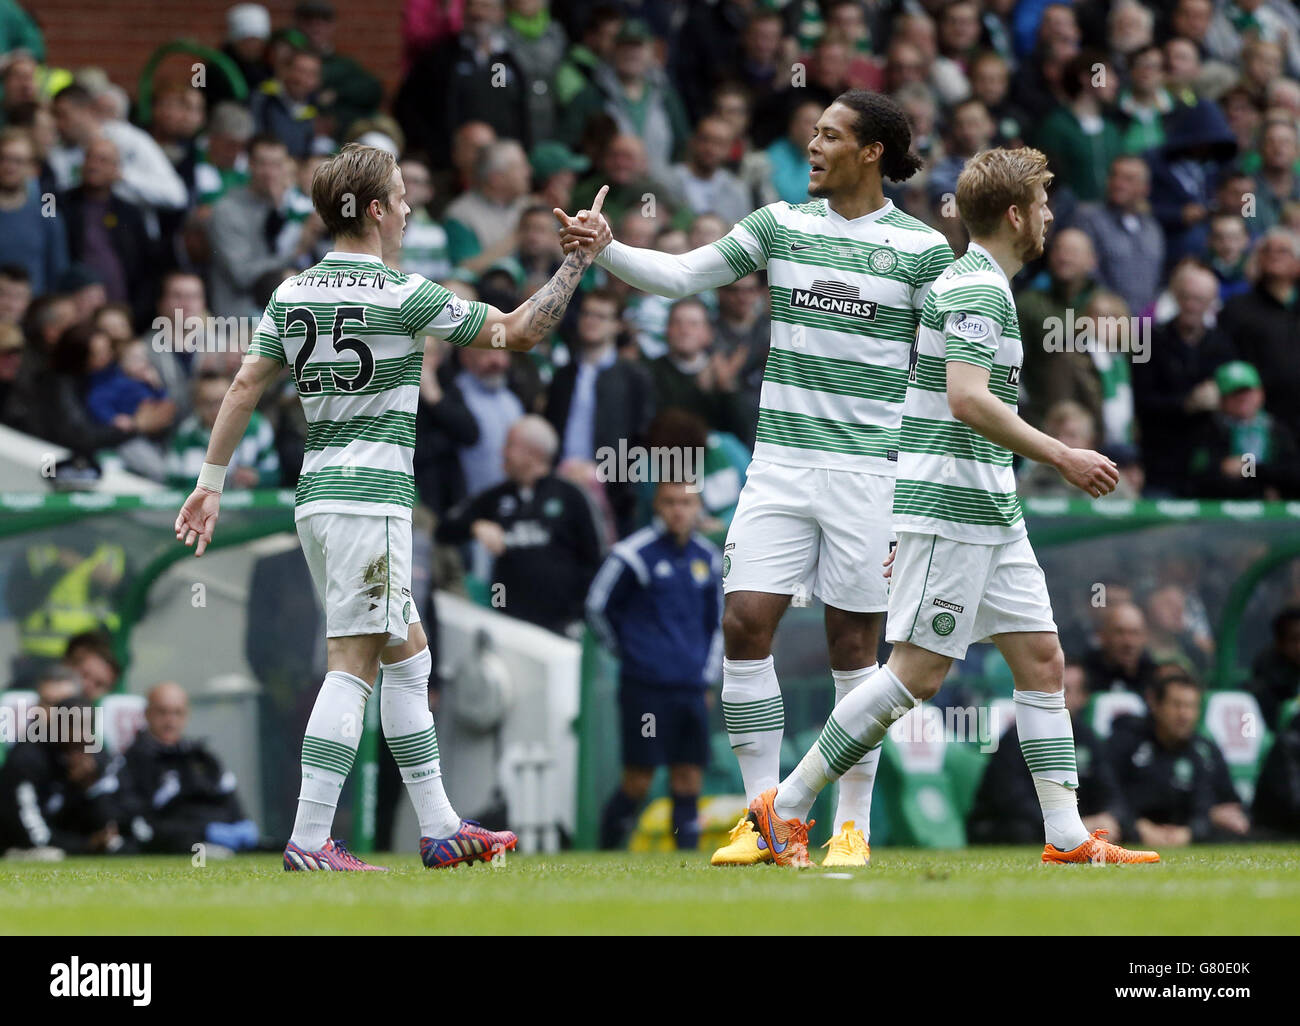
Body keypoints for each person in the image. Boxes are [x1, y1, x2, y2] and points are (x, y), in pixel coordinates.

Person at [174, 144, 606, 870]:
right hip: (370, 501)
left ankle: (439, 827)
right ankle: (310, 840)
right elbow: (523, 332)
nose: (409, 209)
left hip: (318, 498)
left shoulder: (293, 292)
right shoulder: (405, 295)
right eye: (402, 197)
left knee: (408, 657)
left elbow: (245, 386)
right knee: (352, 662)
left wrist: (210, 481)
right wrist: (577, 261)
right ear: (374, 210)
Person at [559, 90, 955, 868]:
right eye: (812, 133)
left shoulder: (922, 251)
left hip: (869, 474)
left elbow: (946, 377)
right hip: (778, 465)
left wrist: (924, 478)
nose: (812, 146)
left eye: (830, 135)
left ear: (872, 151)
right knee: (744, 622)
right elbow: (679, 277)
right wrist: (603, 248)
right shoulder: (780, 224)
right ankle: (768, 819)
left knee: (854, 650)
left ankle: (851, 827)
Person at [739, 147, 1159, 868]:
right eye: (1046, 206)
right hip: (950, 507)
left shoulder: (986, 285)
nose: (1053, 219)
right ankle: (788, 806)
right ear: (1017, 214)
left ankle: (1065, 835)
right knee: (915, 676)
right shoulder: (975, 290)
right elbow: (967, 399)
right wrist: (1062, 453)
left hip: (990, 506)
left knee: (1042, 658)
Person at [588, 480, 722, 851]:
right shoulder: (633, 555)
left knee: (689, 777)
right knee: (639, 778)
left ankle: (687, 863)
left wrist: (706, 678)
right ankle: (604, 854)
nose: (679, 510)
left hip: (691, 688)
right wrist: (628, 653)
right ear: (656, 507)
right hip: (645, 687)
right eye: (670, 502)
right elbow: (597, 606)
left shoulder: (708, 559)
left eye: (687, 502)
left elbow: (717, 624)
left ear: (698, 508)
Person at [437, 415, 603, 636]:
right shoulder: (497, 497)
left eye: (509, 445)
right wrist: (474, 526)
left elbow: (597, 557)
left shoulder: (572, 496)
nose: (502, 452)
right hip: (510, 625)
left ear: (533, 453)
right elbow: (443, 530)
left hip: (562, 627)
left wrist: (579, 614)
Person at [968, 660, 1126, 843]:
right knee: (1022, 831)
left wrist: (1110, 817)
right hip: (1011, 824)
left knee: (1121, 827)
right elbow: (1012, 800)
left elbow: (1110, 791)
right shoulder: (1016, 736)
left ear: (1083, 697)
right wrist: (1072, 826)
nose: (1056, 695)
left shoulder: (1087, 738)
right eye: (1051, 687)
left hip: (1071, 823)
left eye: (1064, 690)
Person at [1107, 669, 1250, 847]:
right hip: (1129, 832)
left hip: (1190, 835)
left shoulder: (1205, 751)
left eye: (1191, 706)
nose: (1185, 715)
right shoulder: (1126, 742)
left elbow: (1229, 804)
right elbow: (1108, 795)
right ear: (1156, 706)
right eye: (1176, 705)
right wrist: (1136, 827)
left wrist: (1192, 830)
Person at [118, 682, 260, 854]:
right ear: (147, 714)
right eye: (162, 712)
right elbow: (142, 823)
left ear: (187, 715)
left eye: (178, 713)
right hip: (178, 844)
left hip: (223, 838)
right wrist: (201, 831)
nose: (170, 721)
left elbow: (233, 806)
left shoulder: (203, 757)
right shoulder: (134, 761)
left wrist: (240, 828)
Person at [167, 370, 280, 490]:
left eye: (222, 401)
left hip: (251, 507)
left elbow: (275, 474)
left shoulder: (257, 426)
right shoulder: (185, 435)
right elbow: (173, 483)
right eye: (208, 403)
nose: (216, 409)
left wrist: (256, 478)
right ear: (197, 405)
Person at [1082, 601, 1160, 694]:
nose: (1128, 642)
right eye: (1120, 632)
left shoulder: (1155, 677)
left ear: (1145, 637)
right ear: (1103, 635)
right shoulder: (1084, 675)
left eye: (1135, 633)